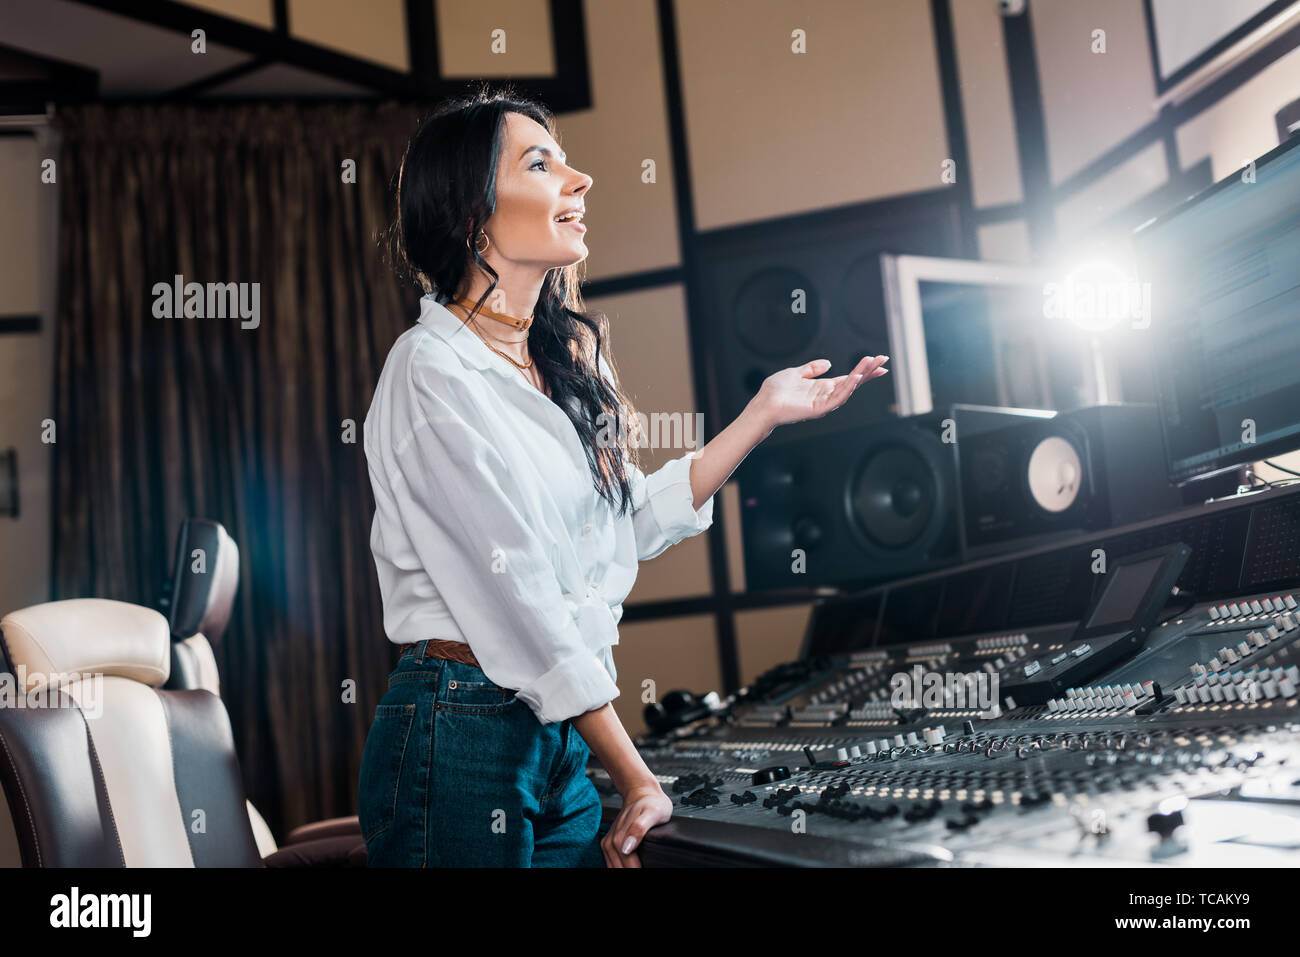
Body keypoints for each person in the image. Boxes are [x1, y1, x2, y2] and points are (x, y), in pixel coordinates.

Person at [358, 87, 890, 868]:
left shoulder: (568, 361)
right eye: (542, 164)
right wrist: (635, 773)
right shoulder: (428, 370)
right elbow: (521, 597)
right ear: (471, 211)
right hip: (458, 722)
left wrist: (762, 414)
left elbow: (622, 524)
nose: (582, 181)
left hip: (561, 730)